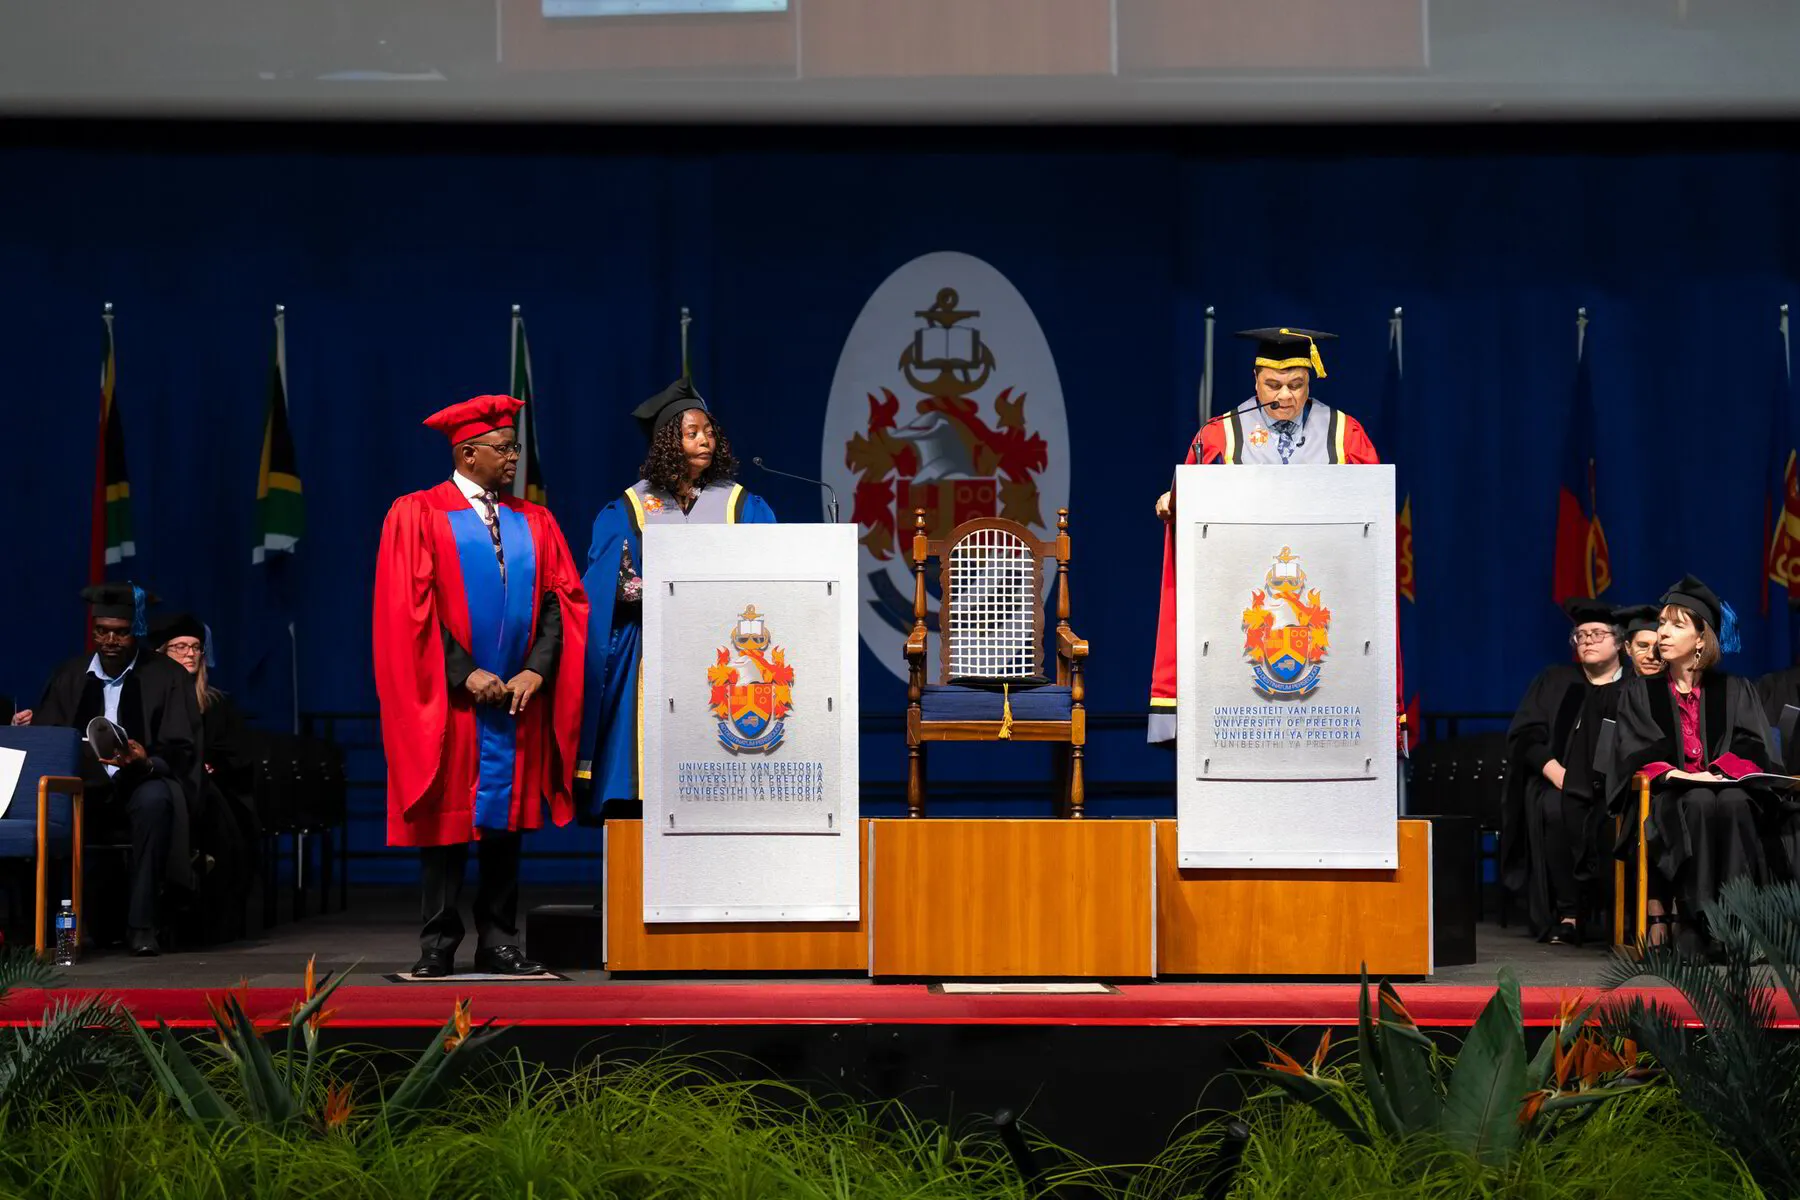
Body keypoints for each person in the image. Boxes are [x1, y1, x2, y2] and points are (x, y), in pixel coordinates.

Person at [373, 394, 590, 978]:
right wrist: (464, 671)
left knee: (504, 825)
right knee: (446, 822)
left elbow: (560, 601)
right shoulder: (418, 513)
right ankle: (436, 945)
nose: (514, 457)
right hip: (454, 701)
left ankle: (499, 942)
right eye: (504, 448)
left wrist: (536, 670)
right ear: (468, 454)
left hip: (515, 699)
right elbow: (409, 609)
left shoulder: (535, 520)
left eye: (515, 446)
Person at [1147, 328, 1380, 744]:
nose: (1285, 396)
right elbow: (1188, 505)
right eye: (1273, 384)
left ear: (1310, 381)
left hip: (1323, 595)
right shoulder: (1221, 435)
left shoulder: (1345, 435)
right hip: (1239, 599)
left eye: (1296, 384)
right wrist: (1176, 501)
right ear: (1255, 380)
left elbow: (1372, 519)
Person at [577, 379, 776, 819]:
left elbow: (769, 574)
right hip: (652, 648)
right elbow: (610, 583)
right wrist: (671, 593)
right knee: (645, 776)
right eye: (692, 433)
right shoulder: (630, 508)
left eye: (709, 432)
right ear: (669, 442)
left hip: (727, 652)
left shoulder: (742, 506)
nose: (705, 440)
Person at [1609, 574, 1800, 953]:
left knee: (1732, 803)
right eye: (1662, 623)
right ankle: (1695, 921)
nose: (1662, 633)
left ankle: (1736, 923)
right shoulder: (1642, 692)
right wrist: (1673, 772)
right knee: (1696, 801)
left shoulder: (1734, 689)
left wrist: (1720, 771)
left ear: (1700, 639)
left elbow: (1755, 743)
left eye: (1676, 625)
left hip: (1730, 789)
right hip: (1668, 796)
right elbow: (1633, 747)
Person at [11, 583, 199, 955]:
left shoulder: (166, 676)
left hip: (140, 779)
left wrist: (146, 760)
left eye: (121, 632)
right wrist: (29, 731)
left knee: (155, 801)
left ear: (135, 631)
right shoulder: (69, 675)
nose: (110, 640)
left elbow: (182, 745)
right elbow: (52, 735)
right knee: (53, 804)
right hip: (85, 784)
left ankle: (142, 926)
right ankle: (57, 929)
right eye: (102, 631)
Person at [1500, 598, 1626, 945]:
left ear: (1619, 642)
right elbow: (1525, 735)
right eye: (1581, 635)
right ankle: (1569, 912)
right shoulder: (1556, 681)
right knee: (1554, 809)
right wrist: (1556, 772)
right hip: (1560, 782)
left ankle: (1622, 913)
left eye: (1597, 634)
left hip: (1616, 787)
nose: (1587, 640)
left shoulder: (1635, 686)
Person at [152, 613, 262, 944]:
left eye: (196, 647)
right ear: (162, 653)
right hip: (166, 783)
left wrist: (212, 767)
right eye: (180, 647)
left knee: (213, 808)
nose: (190, 653)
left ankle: (207, 919)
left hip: (216, 791)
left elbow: (238, 754)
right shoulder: (149, 699)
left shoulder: (215, 702)